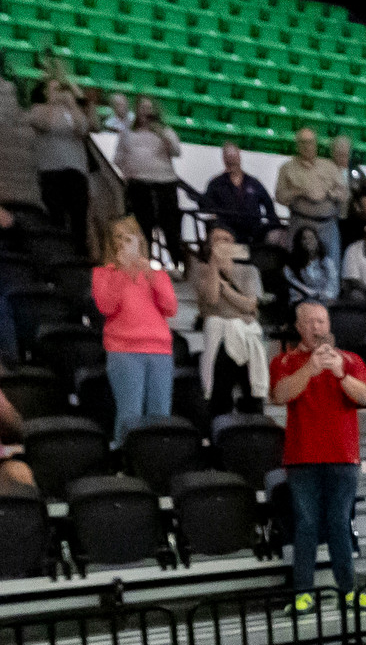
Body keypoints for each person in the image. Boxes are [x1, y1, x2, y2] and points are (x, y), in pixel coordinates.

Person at [268, 301, 366, 610]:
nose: (317, 327)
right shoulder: (285, 361)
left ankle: (349, 591)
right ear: (299, 327)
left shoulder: (351, 360)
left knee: (341, 523)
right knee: (307, 524)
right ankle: (303, 592)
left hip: (343, 456)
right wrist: (310, 369)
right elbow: (280, 395)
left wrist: (340, 374)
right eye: (310, 322)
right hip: (302, 457)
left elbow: (364, 397)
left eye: (322, 321)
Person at [92, 217, 179, 444]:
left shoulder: (155, 273)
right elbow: (106, 306)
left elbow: (170, 307)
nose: (123, 243)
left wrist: (148, 273)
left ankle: (156, 461)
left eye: (128, 237)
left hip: (160, 350)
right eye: (117, 238)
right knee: (129, 414)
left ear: (139, 240)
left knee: (160, 416)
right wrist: (123, 271)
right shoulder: (104, 274)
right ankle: (125, 464)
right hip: (124, 350)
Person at [193, 226, 268, 417]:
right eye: (217, 240)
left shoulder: (249, 271)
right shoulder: (202, 270)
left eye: (227, 239)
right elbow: (211, 299)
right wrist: (215, 268)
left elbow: (250, 305)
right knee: (220, 392)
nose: (223, 244)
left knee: (250, 390)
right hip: (219, 336)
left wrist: (226, 289)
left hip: (245, 331)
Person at [114, 95, 184, 266]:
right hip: (139, 185)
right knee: (141, 226)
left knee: (170, 226)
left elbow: (176, 151)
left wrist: (163, 135)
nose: (145, 111)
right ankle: (143, 263)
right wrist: (130, 173)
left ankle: (176, 263)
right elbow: (118, 158)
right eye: (142, 107)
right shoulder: (128, 133)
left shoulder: (164, 131)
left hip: (164, 183)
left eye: (148, 107)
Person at [27, 76, 93, 248]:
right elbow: (45, 125)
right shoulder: (38, 109)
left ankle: (79, 250)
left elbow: (83, 129)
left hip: (75, 168)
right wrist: (51, 103)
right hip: (51, 169)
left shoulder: (73, 112)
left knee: (78, 213)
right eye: (55, 89)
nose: (60, 94)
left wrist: (72, 105)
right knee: (56, 214)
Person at [275, 127, 347, 265]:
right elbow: (279, 196)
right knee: (298, 266)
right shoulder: (287, 168)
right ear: (297, 145)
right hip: (300, 225)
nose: (307, 146)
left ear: (316, 144)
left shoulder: (330, 166)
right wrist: (299, 192)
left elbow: (344, 194)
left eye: (310, 142)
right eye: (303, 142)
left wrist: (328, 193)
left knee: (329, 267)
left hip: (327, 226)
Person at [200, 141, 284, 246]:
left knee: (279, 237)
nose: (231, 161)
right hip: (227, 232)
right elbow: (205, 206)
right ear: (223, 159)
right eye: (228, 157)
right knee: (218, 237)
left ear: (239, 157)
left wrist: (276, 226)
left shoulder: (254, 183)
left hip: (255, 233)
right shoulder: (216, 184)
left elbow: (269, 207)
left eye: (233, 157)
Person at [284, 223, 340, 308]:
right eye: (304, 239)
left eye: (311, 238)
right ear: (299, 242)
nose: (308, 241)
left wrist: (324, 297)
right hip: (302, 303)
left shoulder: (327, 262)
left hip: (326, 302)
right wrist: (312, 297)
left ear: (317, 241)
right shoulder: (291, 266)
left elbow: (333, 286)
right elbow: (295, 289)